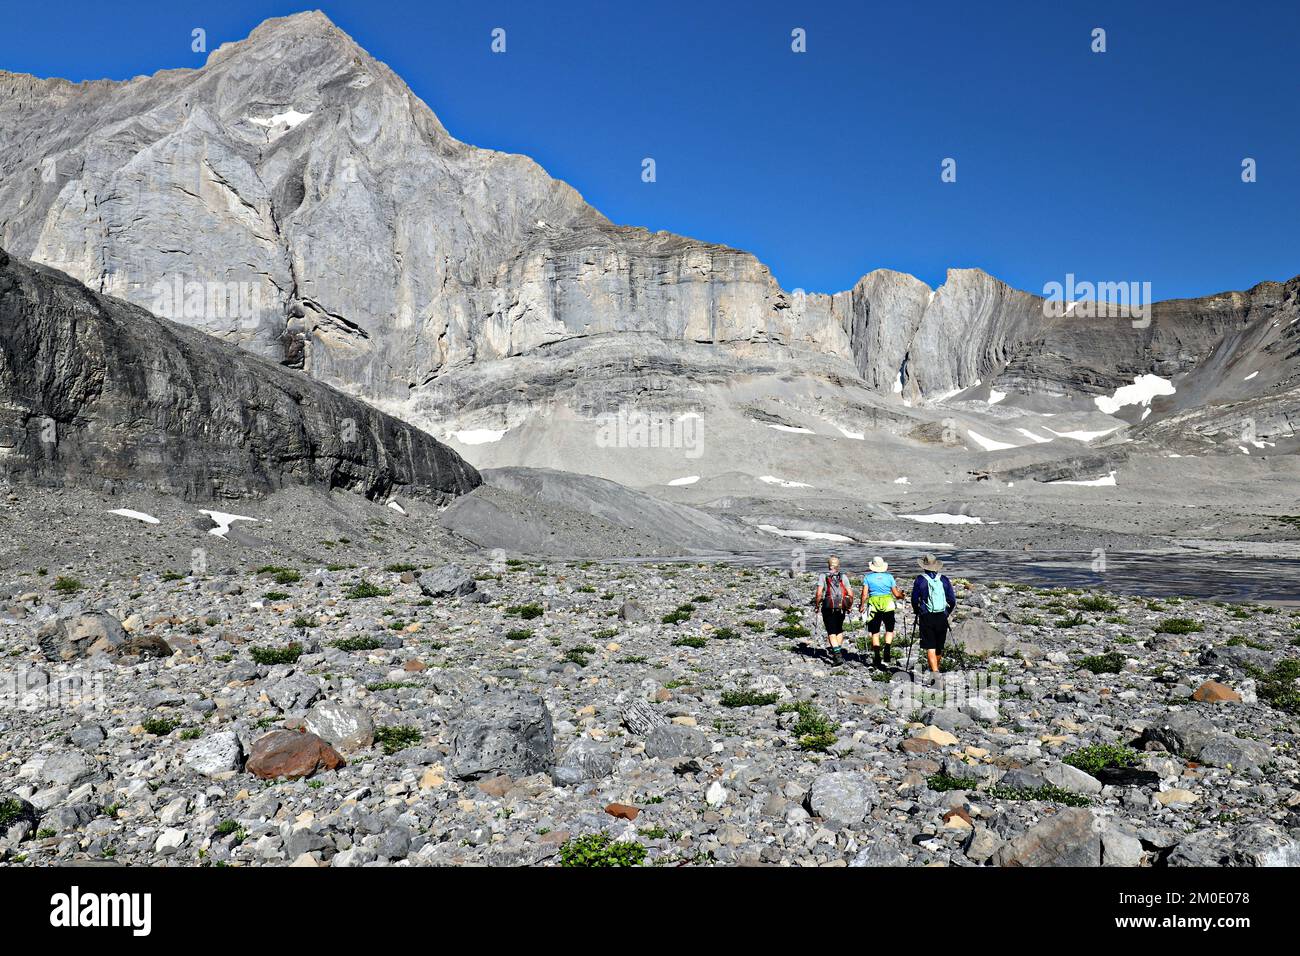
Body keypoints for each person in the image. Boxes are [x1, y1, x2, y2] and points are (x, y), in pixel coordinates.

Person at [910, 553, 956, 681]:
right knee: (939, 646)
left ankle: (935, 673)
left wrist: (917, 611)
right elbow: (952, 600)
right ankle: (936, 672)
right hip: (942, 615)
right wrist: (947, 612)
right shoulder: (944, 579)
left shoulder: (920, 579)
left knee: (930, 646)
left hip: (926, 615)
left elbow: (914, 599)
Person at [859, 556, 905, 669]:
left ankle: (877, 656)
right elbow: (896, 594)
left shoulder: (868, 578)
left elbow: (864, 594)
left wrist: (862, 605)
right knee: (889, 628)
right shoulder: (889, 577)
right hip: (888, 604)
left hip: (874, 605)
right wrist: (902, 595)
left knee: (875, 631)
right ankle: (887, 648)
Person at [812, 555, 854, 667]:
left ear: (828, 565)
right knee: (839, 630)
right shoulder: (843, 577)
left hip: (828, 606)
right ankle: (837, 652)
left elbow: (819, 593)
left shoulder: (823, 576)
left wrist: (817, 605)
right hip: (841, 606)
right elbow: (850, 594)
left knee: (831, 631)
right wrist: (849, 605)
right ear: (838, 566)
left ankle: (837, 654)